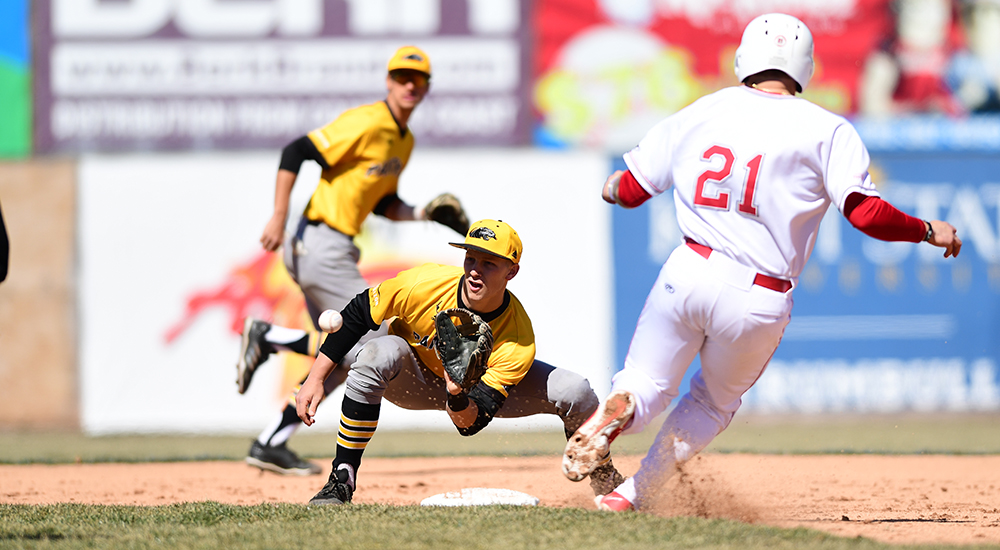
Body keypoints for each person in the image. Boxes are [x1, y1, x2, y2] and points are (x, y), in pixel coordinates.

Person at [561, 13, 963, 512]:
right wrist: (926, 229)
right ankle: (632, 495)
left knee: (643, 383)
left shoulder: (703, 110)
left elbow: (631, 188)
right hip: (759, 295)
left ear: (744, 57)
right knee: (711, 403)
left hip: (690, 268)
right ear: (805, 67)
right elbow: (865, 213)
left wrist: (611, 188)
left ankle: (616, 413)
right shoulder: (827, 129)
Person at [237, 46, 469, 476]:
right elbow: (295, 151)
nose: (409, 84)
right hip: (320, 241)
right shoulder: (367, 121)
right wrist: (278, 214)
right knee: (369, 339)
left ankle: (271, 441)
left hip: (331, 247)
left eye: (417, 79)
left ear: (426, 87)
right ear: (389, 81)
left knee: (344, 360)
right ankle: (271, 337)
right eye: (401, 76)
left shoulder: (404, 139)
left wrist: (422, 213)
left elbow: (383, 203)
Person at [296, 219, 624, 504]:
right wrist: (316, 379)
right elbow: (355, 315)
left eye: (489, 263)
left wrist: (456, 393)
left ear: (512, 271)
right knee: (376, 353)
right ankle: (342, 479)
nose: (475, 270)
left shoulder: (517, 336)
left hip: (470, 395)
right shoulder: (423, 284)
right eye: (471, 259)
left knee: (576, 390)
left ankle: (604, 475)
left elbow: (470, 424)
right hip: (414, 379)